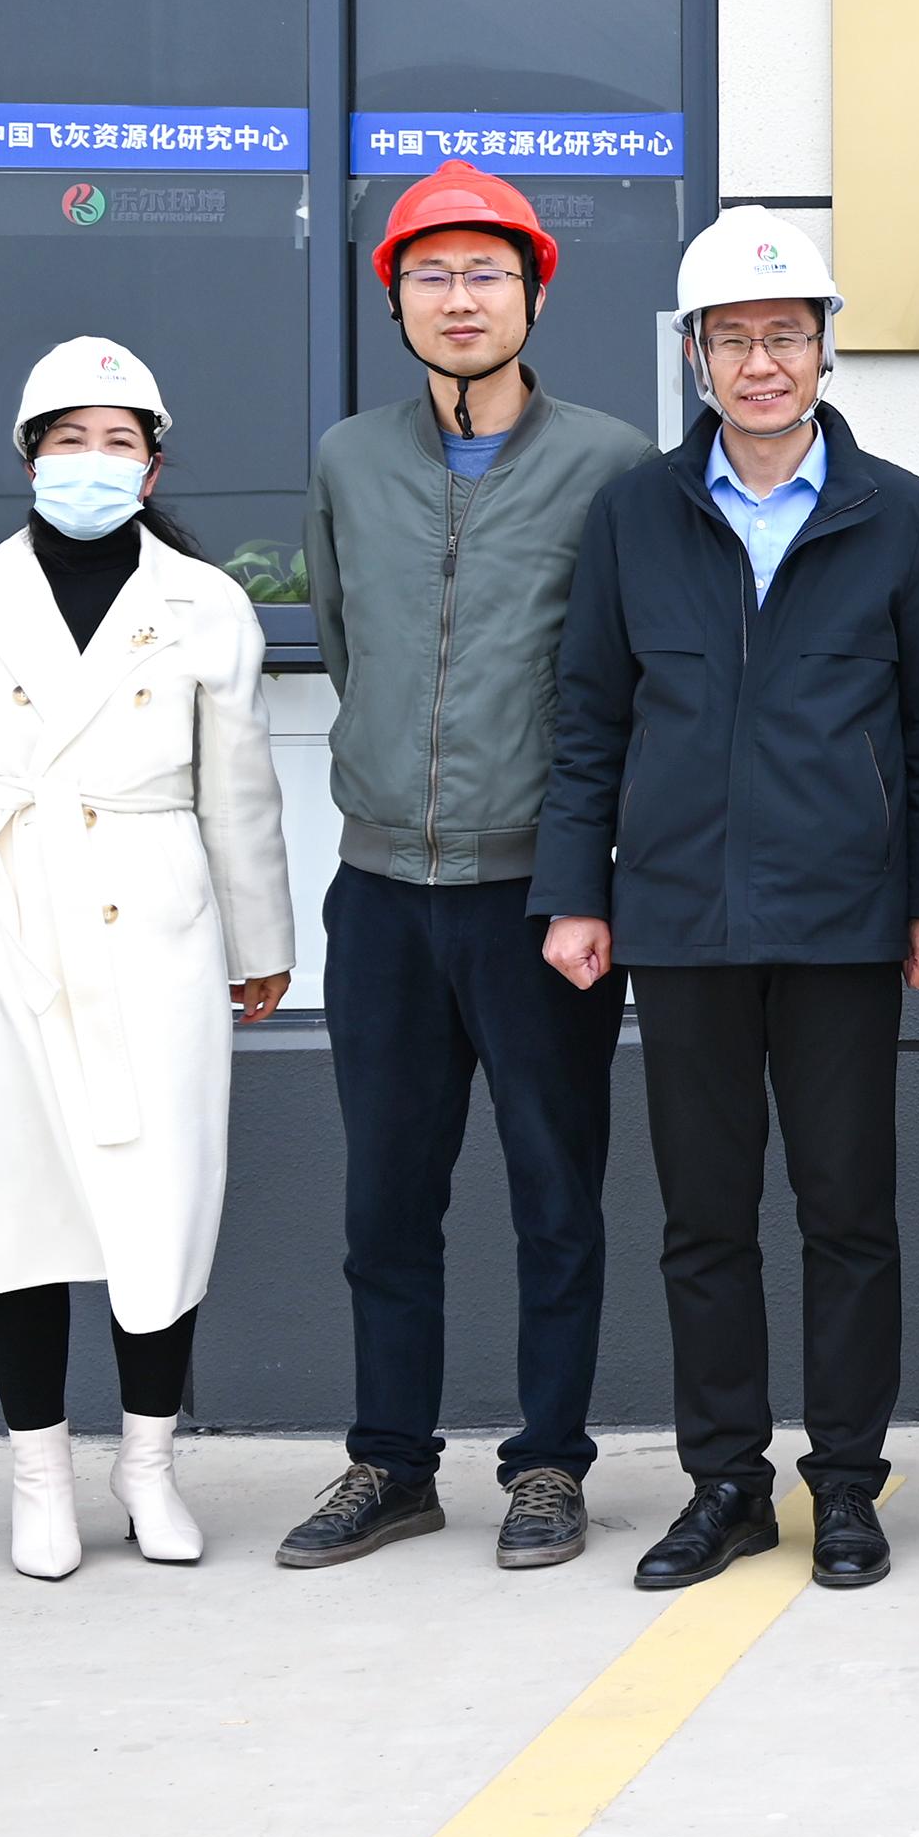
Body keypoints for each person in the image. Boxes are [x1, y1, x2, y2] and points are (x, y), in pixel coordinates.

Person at [533, 210, 919, 1594]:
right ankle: (724, 1481)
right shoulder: (636, 514)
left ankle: (843, 1485)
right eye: (735, 339)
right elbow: (590, 716)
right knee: (704, 1222)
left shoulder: (901, 515)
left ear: (826, 350)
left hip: (844, 921)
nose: (763, 363)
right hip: (681, 919)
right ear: (696, 357)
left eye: (787, 335)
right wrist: (575, 890)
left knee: (848, 1215)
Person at [0, 337, 295, 1578]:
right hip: (8, 920)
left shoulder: (205, 601)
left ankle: (147, 1463)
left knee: (164, 1202)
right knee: (16, 1198)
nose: (91, 462)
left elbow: (241, 787)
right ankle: (38, 1472)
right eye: (67, 439)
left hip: (160, 921)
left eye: (117, 441)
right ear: (30, 457)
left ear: (152, 466)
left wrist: (262, 940)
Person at [277, 163, 656, 1575]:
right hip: (381, 892)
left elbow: (620, 678)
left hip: (538, 895)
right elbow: (345, 642)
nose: (458, 299)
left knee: (556, 1191)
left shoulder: (611, 464)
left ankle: (549, 1461)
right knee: (386, 1201)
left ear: (534, 293)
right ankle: (390, 1463)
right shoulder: (347, 460)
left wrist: (585, 873)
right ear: (395, 301)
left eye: (486, 273)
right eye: (429, 275)